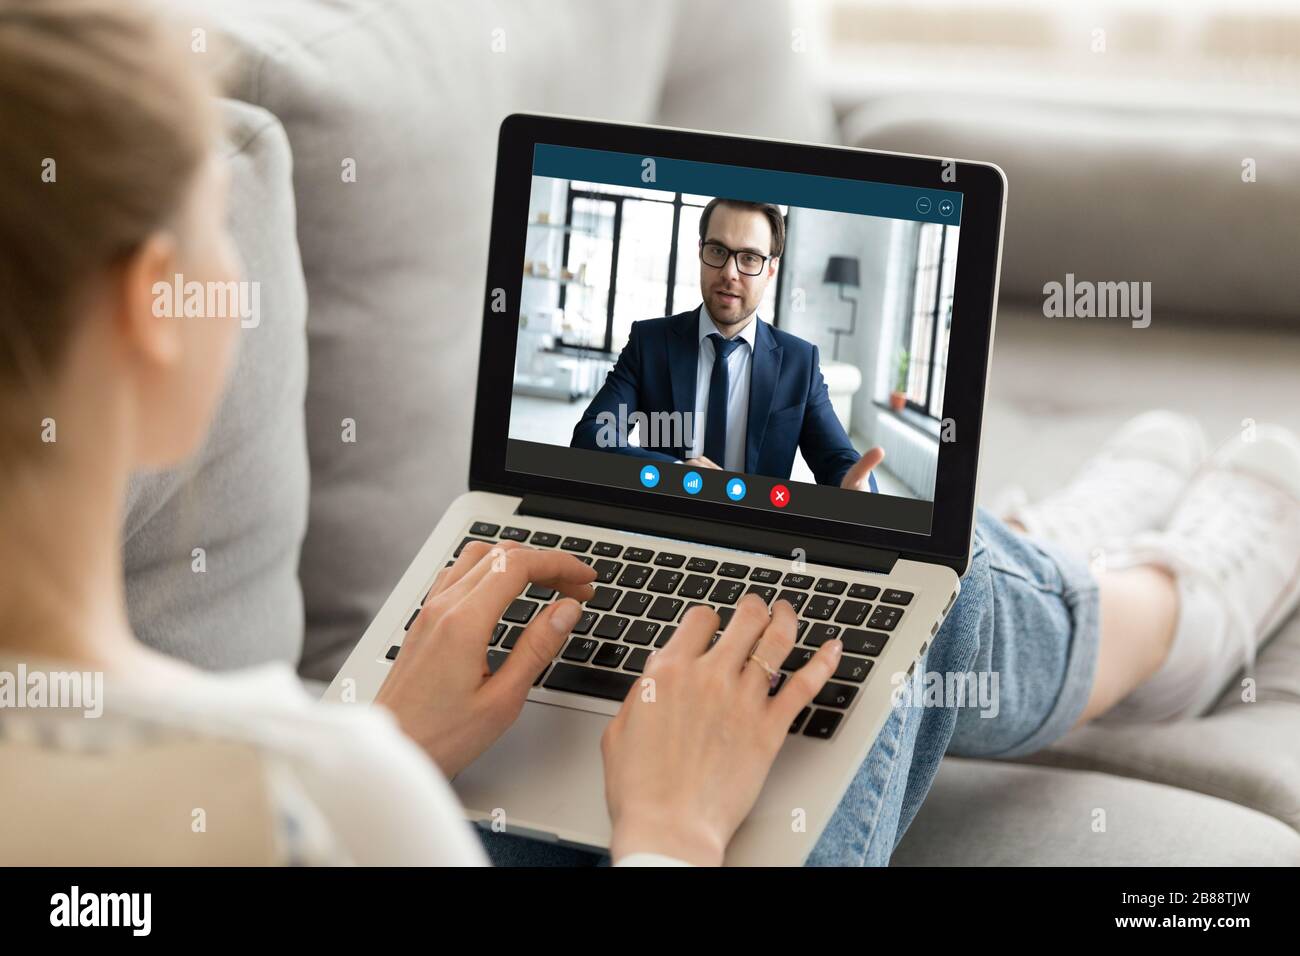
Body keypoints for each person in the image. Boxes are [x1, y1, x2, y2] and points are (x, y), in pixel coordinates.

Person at [3, 0, 1299, 868]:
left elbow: (823, 458)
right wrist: (671, 830)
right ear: (152, 315)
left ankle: (1088, 575)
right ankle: (1163, 614)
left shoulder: (297, 779)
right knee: (894, 593)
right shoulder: (321, 793)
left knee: (862, 557)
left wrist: (393, 736)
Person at [570, 198, 884, 492]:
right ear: (700, 252)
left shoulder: (799, 362)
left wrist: (856, 489)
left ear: (771, 268)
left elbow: (838, 459)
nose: (729, 273)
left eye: (749, 258)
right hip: (661, 519)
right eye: (718, 251)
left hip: (755, 537)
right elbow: (591, 436)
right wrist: (678, 471)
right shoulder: (649, 342)